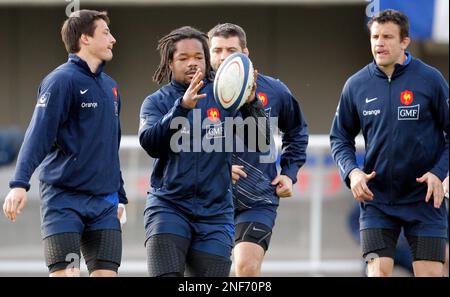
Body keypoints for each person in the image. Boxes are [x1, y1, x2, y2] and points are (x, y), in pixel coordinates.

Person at [2, 10, 127, 277]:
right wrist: (19, 184)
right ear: (84, 38)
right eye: (105, 32)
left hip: (105, 202)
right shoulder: (60, 81)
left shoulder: (111, 87)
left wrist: (121, 197)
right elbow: (38, 135)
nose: (113, 39)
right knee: (68, 274)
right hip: (64, 201)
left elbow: (110, 145)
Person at [139, 26, 269, 277]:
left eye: (198, 57)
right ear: (169, 62)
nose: (192, 63)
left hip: (215, 215)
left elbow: (260, 142)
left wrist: (253, 103)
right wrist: (182, 107)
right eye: (183, 58)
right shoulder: (156, 102)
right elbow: (151, 144)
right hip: (169, 208)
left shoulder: (224, 97)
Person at [330, 9, 448, 277]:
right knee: (378, 272)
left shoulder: (431, 80)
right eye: (375, 37)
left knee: (429, 274)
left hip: (426, 201)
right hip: (377, 200)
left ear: (405, 41)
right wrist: (352, 172)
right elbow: (340, 137)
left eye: (387, 37)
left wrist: (439, 173)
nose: (379, 43)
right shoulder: (356, 85)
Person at [207, 23, 308, 276]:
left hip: (258, 198)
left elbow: (296, 132)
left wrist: (289, 172)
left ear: (245, 54)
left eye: (231, 50)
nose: (223, 57)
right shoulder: (197, 92)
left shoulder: (274, 90)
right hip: (208, 196)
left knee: (246, 267)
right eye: (217, 50)